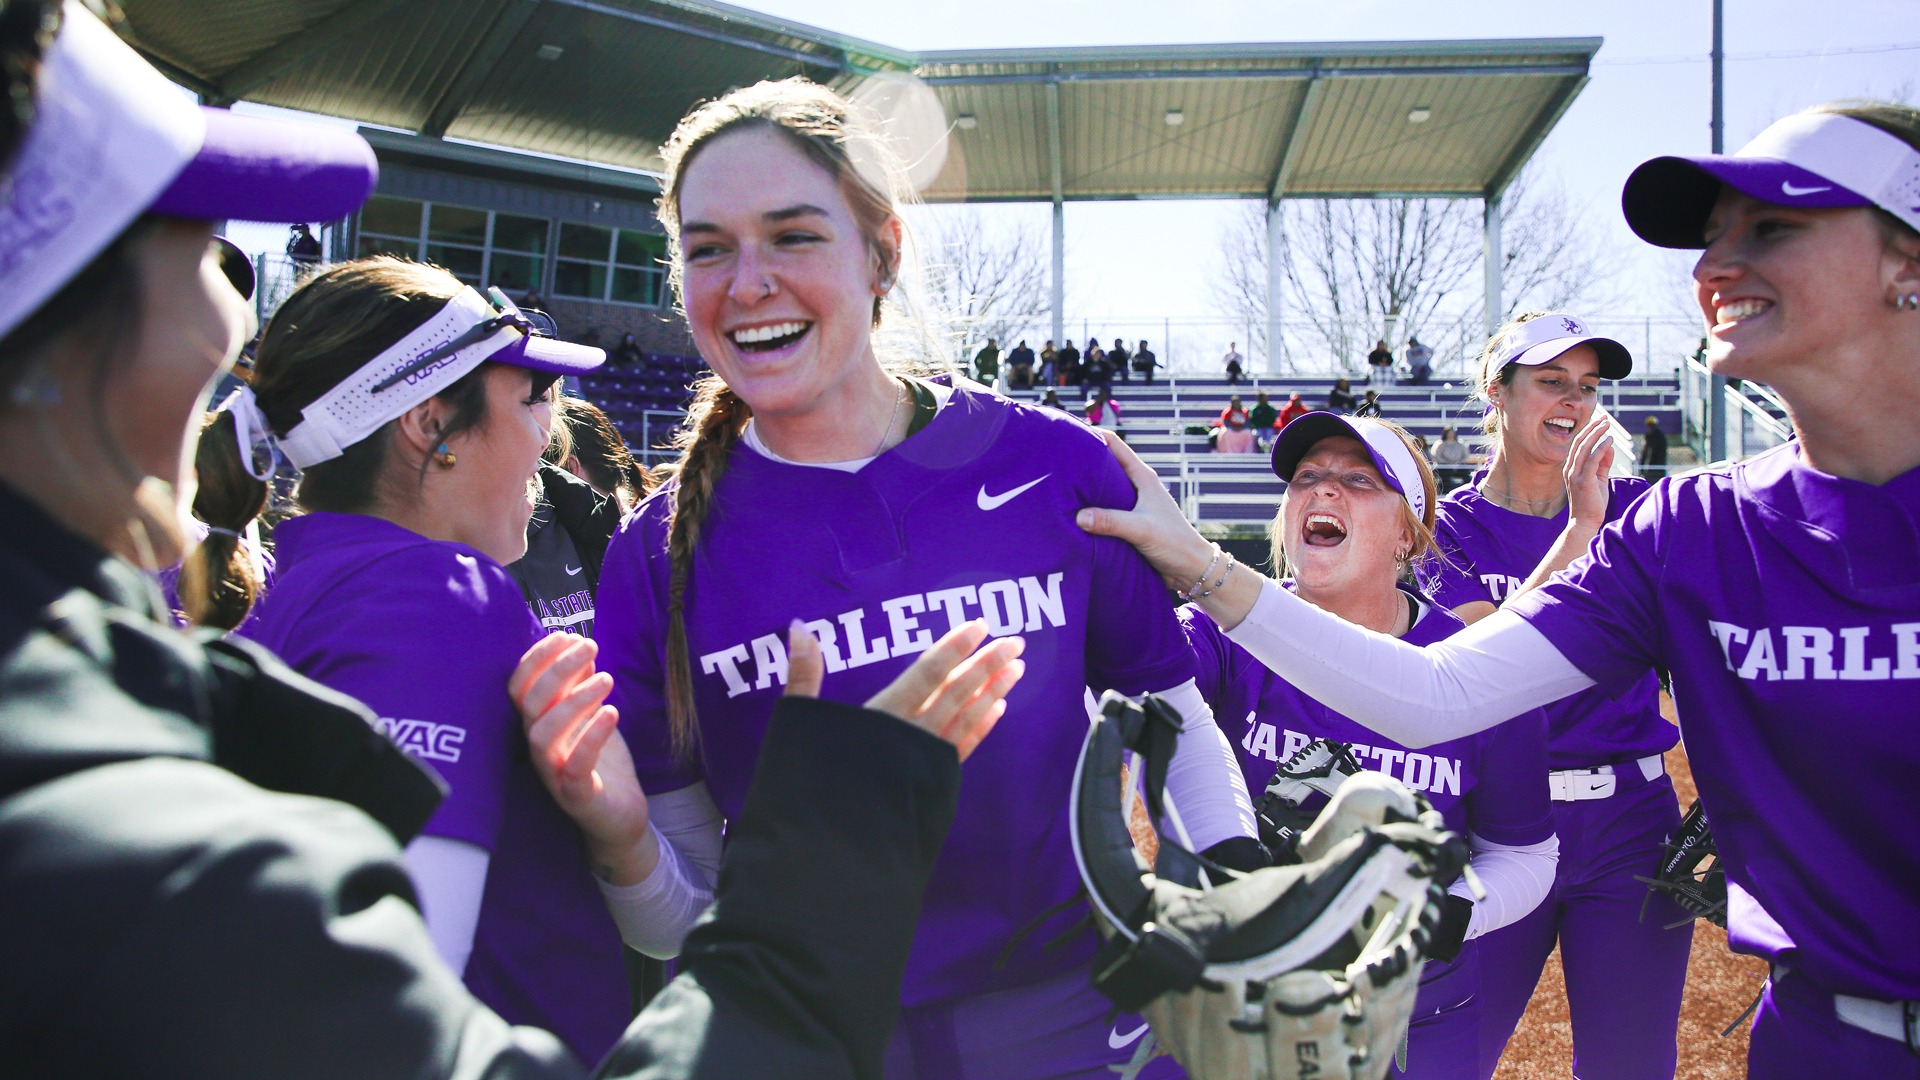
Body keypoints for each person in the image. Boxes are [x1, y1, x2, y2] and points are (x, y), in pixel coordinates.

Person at [0, 13, 1034, 1078]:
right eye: (201, 250)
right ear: (426, 425)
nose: (228, 311)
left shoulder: (256, 605)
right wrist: (824, 856)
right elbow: (409, 1023)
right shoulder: (427, 598)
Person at [1076, 100, 1920, 1079]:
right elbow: (1440, 694)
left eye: (1771, 228)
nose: (1712, 268)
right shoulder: (1684, 530)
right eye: (1712, 237)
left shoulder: (1645, 515)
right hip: (1824, 1041)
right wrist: (1202, 568)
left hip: (1622, 827)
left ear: (1907, 259)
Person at [588, 78, 1260, 1080]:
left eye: (794, 235)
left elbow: (1175, 723)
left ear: (883, 255)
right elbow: (681, 922)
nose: (747, 282)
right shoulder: (654, 557)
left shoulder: (1052, 465)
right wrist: (619, 841)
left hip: (1089, 1020)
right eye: (708, 247)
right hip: (818, 1044)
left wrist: (1235, 902)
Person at [206, 256, 641, 1062]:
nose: (551, 428)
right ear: (428, 422)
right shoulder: (430, 593)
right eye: (533, 396)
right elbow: (394, 1012)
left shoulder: (299, 586)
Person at [1182, 413, 1556, 1079]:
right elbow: (1123, 684)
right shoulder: (1221, 632)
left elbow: (1525, 854)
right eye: (1307, 479)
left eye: (1358, 480)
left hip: (1415, 1008)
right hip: (1234, 991)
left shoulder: (1478, 665)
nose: (1325, 491)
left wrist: (1453, 912)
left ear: (1406, 533)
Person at [1420, 313, 1692, 1078]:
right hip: (1498, 822)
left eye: (1587, 386)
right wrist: (1581, 529)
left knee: (1631, 1066)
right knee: (1445, 1058)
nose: (1573, 402)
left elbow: (1699, 652)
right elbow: (1476, 668)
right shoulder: (1444, 525)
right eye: (1550, 382)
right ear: (1495, 393)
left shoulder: (1644, 512)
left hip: (1631, 825)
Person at [1431, 425, 1471, 493]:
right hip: (1444, 467)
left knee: (1467, 475)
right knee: (1444, 476)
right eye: (1449, 433)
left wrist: (1458, 463)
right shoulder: (1440, 444)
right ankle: (1445, 493)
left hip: (1458, 466)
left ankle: (1467, 492)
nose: (1451, 435)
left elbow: (1465, 456)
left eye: (1452, 433)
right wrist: (1448, 463)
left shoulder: (1460, 444)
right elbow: (1436, 456)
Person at [1640, 415, 1669, 479]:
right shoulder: (1651, 436)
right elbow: (1645, 452)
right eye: (1650, 425)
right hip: (1653, 467)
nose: (1651, 427)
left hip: (1658, 466)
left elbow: (1646, 452)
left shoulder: (1658, 437)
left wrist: (1642, 466)